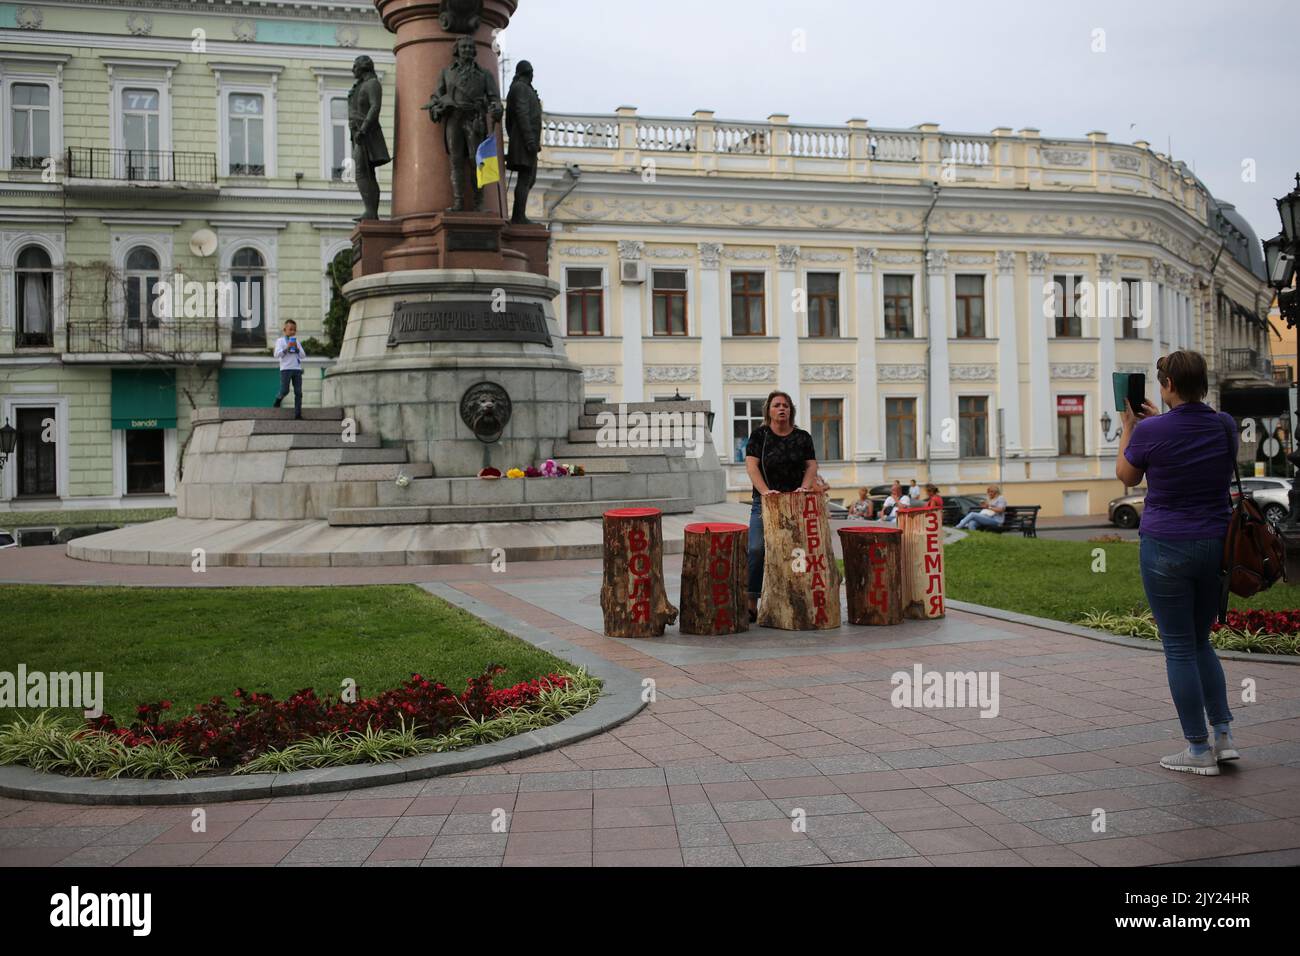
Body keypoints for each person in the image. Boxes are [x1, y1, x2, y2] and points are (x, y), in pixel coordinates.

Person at [1117, 350, 1238, 776]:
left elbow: (1127, 476)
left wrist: (1130, 428)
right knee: (1201, 640)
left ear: (1166, 384)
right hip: (1215, 544)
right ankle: (1223, 738)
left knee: (1180, 647)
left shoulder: (1150, 431)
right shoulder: (1225, 425)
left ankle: (1197, 750)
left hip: (1167, 544)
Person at [744, 390, 818, 622]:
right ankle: (751, 601)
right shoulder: (759, 436)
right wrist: (765, 492)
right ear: (768, 410)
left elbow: (811, 466)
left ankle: (797, 600)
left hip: (795, 503)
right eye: (776, 405)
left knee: (797, 552)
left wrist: (804, 488)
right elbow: (752, 467)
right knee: (756, 549)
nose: (781, 408)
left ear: (791, 410)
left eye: (785, 405)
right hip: (764, 502)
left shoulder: (803, 437)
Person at [424, 36, 502, 213]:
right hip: (454, 119)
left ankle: (479, 203)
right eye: (463, 47)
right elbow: (436, 96)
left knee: (478, 161)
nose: (467, 50)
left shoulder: (484, 74)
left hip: (475, 119)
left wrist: (497, 109)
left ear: (474, 51)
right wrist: (437, 108)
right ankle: (459, 202)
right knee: (456, 161)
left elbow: (494, 99)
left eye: (470, 47)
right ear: (457, 50)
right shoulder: (446, 73)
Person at [347, 55, 390, 222]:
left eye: (355, 65)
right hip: (359, 132)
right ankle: (370, 211)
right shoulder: (362, 85)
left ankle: (371, 211)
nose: (353, 69)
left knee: (362, 172)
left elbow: (375, 107)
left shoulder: (372, 84)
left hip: (366, 133)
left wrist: (363, 129)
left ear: (364, 67)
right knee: (364, 172)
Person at [504, 60, 542, 225]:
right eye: (530, 71)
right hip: (523, 141)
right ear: (526, 72)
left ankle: (519, 214)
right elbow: (521, 113)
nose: (532, 74)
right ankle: (518, 217)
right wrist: (529, 140)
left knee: (529, 178)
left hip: (525, 140)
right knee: (526, 178)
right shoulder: (520, 88)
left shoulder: (525, 89)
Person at [273, 320, 306, 419]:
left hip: (296, 368)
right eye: (290, 329)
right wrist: (286, 349)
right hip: (285, 369)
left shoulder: (296, 342)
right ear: (284, 330)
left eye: (294, 330)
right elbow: (276, 354)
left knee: (298, 392)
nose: (292, 332)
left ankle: (298, 414)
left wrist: (297, 349)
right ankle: (278, 399)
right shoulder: (280, 341)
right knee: (285, 390)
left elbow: (303, 356)